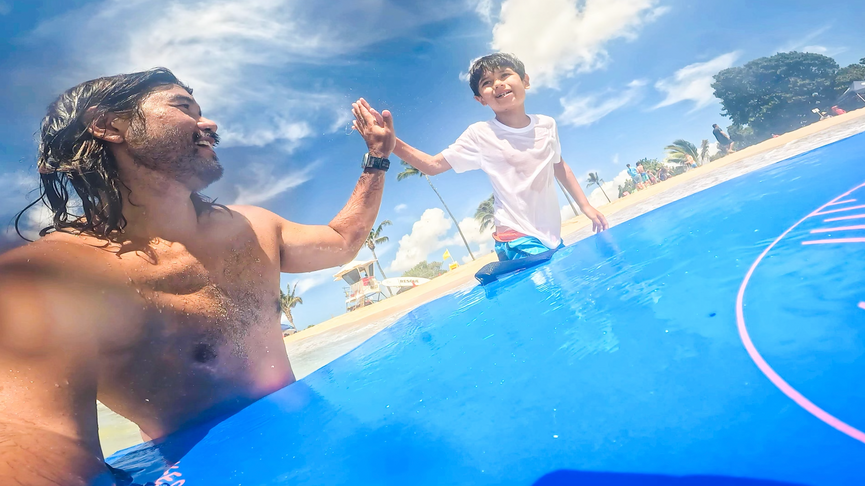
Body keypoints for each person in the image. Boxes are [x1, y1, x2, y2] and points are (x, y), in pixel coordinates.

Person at [0, 68, 393, 485]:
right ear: (108, 125)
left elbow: (341, 240)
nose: (209, 123)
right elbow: (31, 434)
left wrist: (377, 159)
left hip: (316, 443)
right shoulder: (57, 275)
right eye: (182, 107)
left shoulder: (255, 228)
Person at [365, 53, 608, 262]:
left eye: (505, 75)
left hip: (550, 235)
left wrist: (585, 205)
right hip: (515, 239)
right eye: (487, 83)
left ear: (525, 80)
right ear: (480, 99)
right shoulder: (480, 134)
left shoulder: (547, 125)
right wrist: (390, 143)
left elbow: (559, 165)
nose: (499, 84)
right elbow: (433, 165)